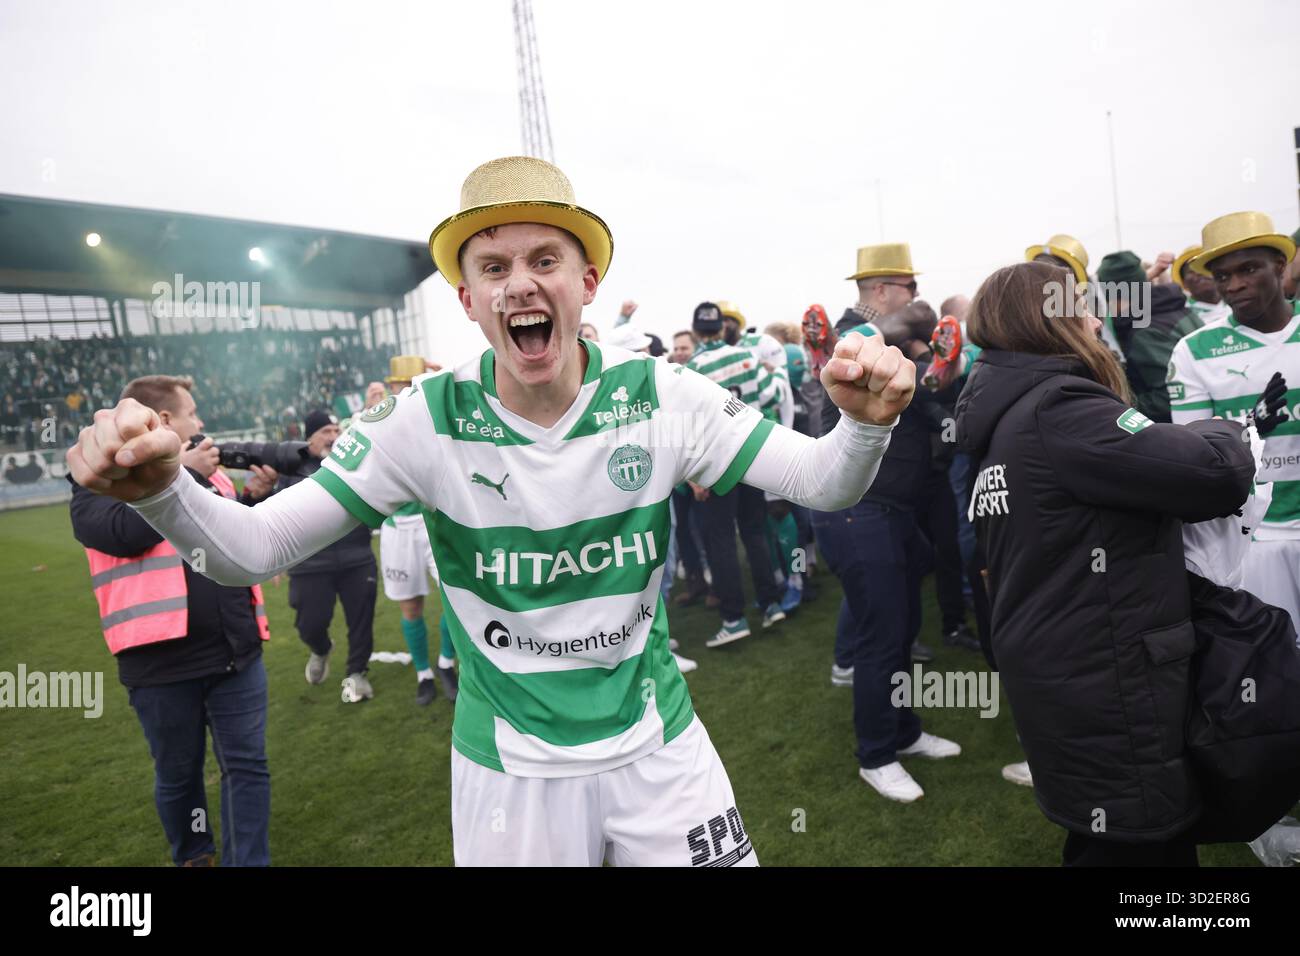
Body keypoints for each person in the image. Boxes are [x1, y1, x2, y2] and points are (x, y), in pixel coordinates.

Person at [68, 155, 914, 867]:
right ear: (468, 300)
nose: (520, 285)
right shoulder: (423, 418)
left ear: (586, 283)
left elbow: (821, 481)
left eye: (545, 259)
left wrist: (864, 426)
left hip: (661, 752)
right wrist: (167, 493)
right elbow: (254, 549)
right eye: (493, 268)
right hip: (510, 777)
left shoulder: (663, 396)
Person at [955, 259, 1255, 866]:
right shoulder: (1060, 409)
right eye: (1082, 307)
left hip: (1061, 672)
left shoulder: (1000, 418)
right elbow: (1210, 476)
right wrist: (1229, 429)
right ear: (1052, 320)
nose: (1096, 320)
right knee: (1143, 847)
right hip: (1107, 679)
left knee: (1103, 835)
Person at [69, 374, 276, 866]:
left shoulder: (207, 472)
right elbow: (121, 534)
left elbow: (231, 539)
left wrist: (253, 499)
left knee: (247, 768)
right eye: (192, 412)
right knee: (179, 775)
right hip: (160, 662)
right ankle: (195, 854)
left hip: (236, 650)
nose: (200, 422)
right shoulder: (98, 476)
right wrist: (177, 473)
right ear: (164, 421)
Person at [815, 300, 963, 802]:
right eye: (905, 288)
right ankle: (876, 755)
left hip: (893, 510)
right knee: (882, 636)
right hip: (860, 510)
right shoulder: (854, 347)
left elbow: (937, 411)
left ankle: (903, 731)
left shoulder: (911, 363)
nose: (915, 296)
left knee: (900, 631)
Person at [1169, 211, 1300, 631]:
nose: (1235, 285)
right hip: (1254, 539)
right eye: (1223, 276)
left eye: (1248, 269)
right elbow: (1193, 459)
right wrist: (1250, 428)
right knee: (1280, 670)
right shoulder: (1194, 352)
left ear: (1279, 266)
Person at [685, 301, 788, 647]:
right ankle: (770, 603)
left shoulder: (694, 365)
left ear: (698, 331)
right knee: (755, 532)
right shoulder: (745, 357)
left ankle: (733, 617)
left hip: (718, 464)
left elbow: (694, 424)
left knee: (722, 541)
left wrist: (696, 473)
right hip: (749, 457)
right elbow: (768, 398)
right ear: (722, 327)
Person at [275, 408, 380, 703]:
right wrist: (277, 559)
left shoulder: (354, 462)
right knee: (310, 623)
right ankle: (320, 648)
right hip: (309, 563)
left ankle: (356, 674)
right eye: (326, 433)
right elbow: (278, 513)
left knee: (361, 620)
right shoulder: (292, 468)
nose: (334, 438)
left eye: (336, 432)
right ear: (310, 438)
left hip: (357, 557)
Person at [374, 356, 459, 705]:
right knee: (411, 607)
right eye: (400, 383)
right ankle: (424, 673)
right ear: (391, 386)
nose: (404, 389)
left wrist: (436, 369)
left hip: (436, 523)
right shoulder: (377, 423)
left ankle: (445, 664)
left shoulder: (437, 414)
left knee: (457, 599)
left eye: (412, 383)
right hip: (397, 528)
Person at [1097, 250, 1203, 423]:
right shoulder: (1177, 309)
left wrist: (1119, 409)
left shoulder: (1145, 332)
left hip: (1184, 430)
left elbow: (1168, 397)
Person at [1171, 245, 1231, 326]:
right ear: (1184, 283)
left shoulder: (1238, 300)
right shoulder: (1182, 317)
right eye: (1191, 271)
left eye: (1202, 268)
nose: (1199, 273)